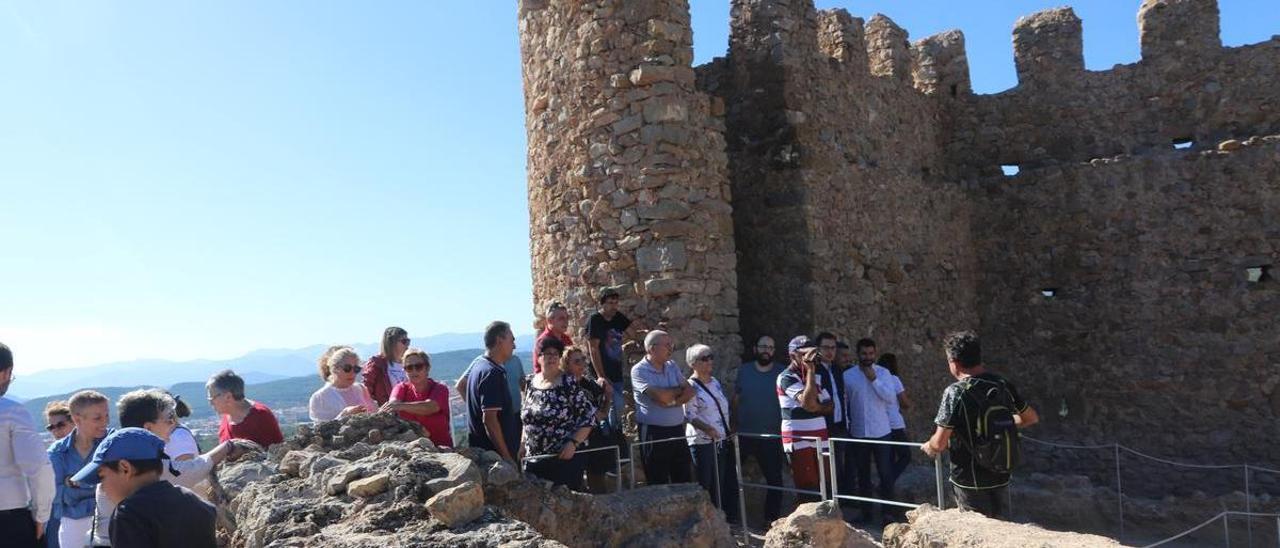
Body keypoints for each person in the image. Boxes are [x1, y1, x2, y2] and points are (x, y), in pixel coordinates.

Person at [90, 389, 245, 547]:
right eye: (168, 419)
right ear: (148, 428)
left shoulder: (120, 455)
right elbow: (191, 470)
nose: (174, 423)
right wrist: (228, 447)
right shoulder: (143, 466)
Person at [922, 331, 1039, 519]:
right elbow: (1031, 418)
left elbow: (940, 443)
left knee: (978, 532)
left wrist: (929, 445)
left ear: (954, 362)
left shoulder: (956, 392)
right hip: (1001, 473)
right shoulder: (1002, 384)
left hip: (970, 481)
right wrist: (1001, 424)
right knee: (1003, 531)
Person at [71, 428, 216, 548]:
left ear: (125, 468)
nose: (103, 489)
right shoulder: (194, 502)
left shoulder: (129, 514)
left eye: (102, 477)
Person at [0, 342, 56, 547]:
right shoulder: (12, 412)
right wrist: (41, 515)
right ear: (5, 373)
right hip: (8, 521)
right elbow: (39, 468)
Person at [521, 337, 594, 489]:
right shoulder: (529, 383)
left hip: (563, 459)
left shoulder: (568, 383)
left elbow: (588, 418)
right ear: (539, 357)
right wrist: (522, 444)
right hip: (534, 459)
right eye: (547, 353)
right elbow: (527, 419)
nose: (552, 357)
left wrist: (573, 443)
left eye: (556, 354)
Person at [843, 338, 898, 524]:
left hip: (881, 432)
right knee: (863, 475)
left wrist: (873, 380)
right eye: (864, 354)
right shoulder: (848, 376)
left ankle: (888, 513)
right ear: (858, 354)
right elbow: (846, 403)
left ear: (875, 354)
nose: (868, 357)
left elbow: (890, 397)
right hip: (858, 433)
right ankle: (866, 513)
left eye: (871, 354)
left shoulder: (884, 373)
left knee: (885, 474)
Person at [732, 335, 786, 522]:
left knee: (775, 482)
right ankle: (730, 518)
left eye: (770, 347)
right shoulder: (744, 371)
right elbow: (736, 400)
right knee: (731, 477)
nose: (766, 350)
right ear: (755, 349)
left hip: (771, 437)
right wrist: (734, 425)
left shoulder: (781, 372)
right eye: (763, 346)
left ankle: (770, 522)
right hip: (745, 434)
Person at [683, 344, 740, 523]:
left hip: (720, 440)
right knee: (705, 485)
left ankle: (719, 523)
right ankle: (704, 524)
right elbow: (689, 415)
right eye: (704, 358)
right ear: (693, 364)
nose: (710, 361)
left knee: (719, 484)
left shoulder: (714, 382)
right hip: (702, 442)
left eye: (711, 357)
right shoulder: (690, 386)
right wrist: (708, 429)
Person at [631, 330, 693, 485]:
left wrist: (672, 402)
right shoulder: (639, 370)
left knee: (683, 478)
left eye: (671, 344)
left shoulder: (672, 366)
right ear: (652, 349)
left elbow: (691, 391)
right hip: (654, 433)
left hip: (677, 430)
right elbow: (661, 397)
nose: (671, 348)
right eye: (666, 345)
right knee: (657, 481)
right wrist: (677, 392)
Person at [48, 390, 110, 548]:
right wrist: (96, 491)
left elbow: (119, 485)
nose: (105, 422)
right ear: (77, 419)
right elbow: (55, 495)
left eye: (107, 416)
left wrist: (77, 485)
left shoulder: (113, 443)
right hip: (73, 527)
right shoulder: (57, 452)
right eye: (98, 418)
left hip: (109, 522)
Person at [776, 338, 833, 502]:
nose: (810, 357)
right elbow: (808, 404)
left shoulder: (814, 376)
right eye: (804, 353)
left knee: (826, 485)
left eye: (812, 352)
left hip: (820, 439)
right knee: (808, 488)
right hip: (799, 440)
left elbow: (830, 406)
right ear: (793, 355)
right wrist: (811, 374)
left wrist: (816, 407)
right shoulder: (786, 377)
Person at [465, 322, 521, 463]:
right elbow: (490, 419)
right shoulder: (492, 373)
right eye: (512, 340)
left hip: (483, 452)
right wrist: (506, 457)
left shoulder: (480, 366)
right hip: (495, 458)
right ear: (499, 340)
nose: (514, 346)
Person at [564, 346, 615, 493]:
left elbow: (601, 415)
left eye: (583, 360)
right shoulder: (564, 387)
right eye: (576, 361)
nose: (582, 364)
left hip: (594, 439)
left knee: (598, 482)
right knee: (574, 486)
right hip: (574, 442)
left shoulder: (590, 385)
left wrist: (608, 398)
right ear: (566, 364)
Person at [382, 348, 453, 448]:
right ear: (405, 371)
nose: (414, 371)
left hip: (443, 451)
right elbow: (392, 404)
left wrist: (400, 406)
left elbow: (430, 407)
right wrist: (394, 406)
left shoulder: (440, 389)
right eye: (409, 368)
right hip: (413, 451)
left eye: (418, 366)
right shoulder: (401, 388)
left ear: (427, 368)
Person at [586, 288, 631, 434]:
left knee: (616, 406)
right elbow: (593, 348)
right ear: (602, 304)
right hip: (602, 373)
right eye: (610, 303)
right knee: (614, 403)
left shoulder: (617, 317)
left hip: (616, 371)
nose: (614, 306)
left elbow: (631, 332)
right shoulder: (595, 320)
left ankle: (614, 434)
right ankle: (609, 434)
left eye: (616, 303)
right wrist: (601, 376)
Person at [207, 370, 284, 448]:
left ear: (228, 397)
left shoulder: (260, 416)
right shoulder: (227, 416)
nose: (210, 402)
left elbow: (277, 453)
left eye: (212, 398)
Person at [309, 346, 377, 422]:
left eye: (356, 369)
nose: (352, 373)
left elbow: (373, 415)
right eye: (347, 368)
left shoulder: (361, 389)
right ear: (334, 369)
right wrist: (344, 415)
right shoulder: (320, 397)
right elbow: (320, 430)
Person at [41, 402, 72, 548]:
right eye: (51, 427)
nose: (55, 431)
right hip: (57, 517)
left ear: (75, 422)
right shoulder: (51, 455)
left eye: (60, 425)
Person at [880, 353, 912, 485]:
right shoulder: (894, 379)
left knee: (889, 459)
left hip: (881, 425)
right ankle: (886, 484)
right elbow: (905, 403)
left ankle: (887, 489)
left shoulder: (876, 379)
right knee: (905, 455)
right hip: (895, 424)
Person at [363, 327, 411, 406]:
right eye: (404, 341)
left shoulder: (410, 363)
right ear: (392, 343)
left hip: (410, 413)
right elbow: (366, 390)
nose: (407, 345)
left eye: (408, 341)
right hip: (387, 414)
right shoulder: (377, 364)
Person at [533, 301, 574, 374]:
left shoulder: (566, 339)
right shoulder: (543, 342)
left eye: (567, 318)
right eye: (561, 318)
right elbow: (539, 370)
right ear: (549, 320)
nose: (566, 321)